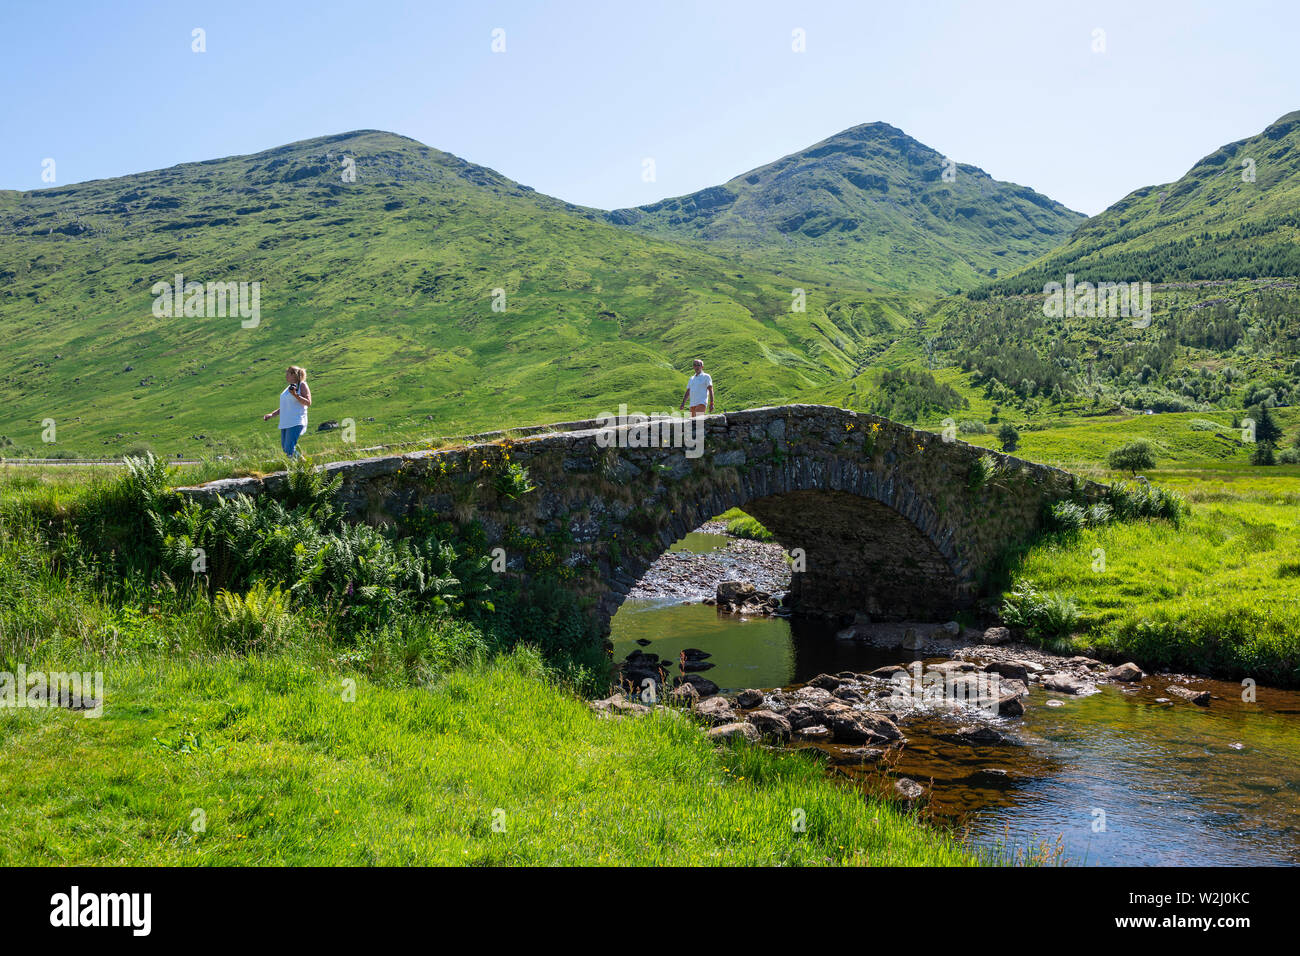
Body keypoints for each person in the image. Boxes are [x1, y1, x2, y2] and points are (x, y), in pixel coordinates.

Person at [263, 365, 311, 457]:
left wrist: (295, 395)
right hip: (285, 422)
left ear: (294, 375)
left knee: (289, 449)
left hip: (296, 421)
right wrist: (272, 414)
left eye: (288, 373)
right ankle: (303, 465)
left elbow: (308, 402)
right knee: (286, 449)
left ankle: (303, 467)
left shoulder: (302, 385)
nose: (286, 375)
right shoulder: (288, 388)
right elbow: (285, 406)